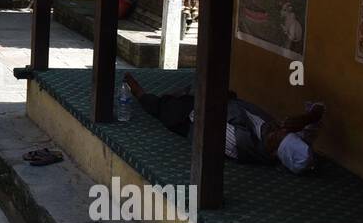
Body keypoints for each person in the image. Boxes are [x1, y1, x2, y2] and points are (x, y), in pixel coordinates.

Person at [122, 72, 324, 174]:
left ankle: (139, 93)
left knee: (163, 106)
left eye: (276, 136)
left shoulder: (240, 143)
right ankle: (183, 93)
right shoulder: (287, 138)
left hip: (190, 118)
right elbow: (318, 111)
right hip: (228, 104)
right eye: (281, 130)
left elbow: (205, 121)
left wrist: (203, 96)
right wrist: (306, 118)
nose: (277, 128)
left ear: (272, 151)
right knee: (196, 88)